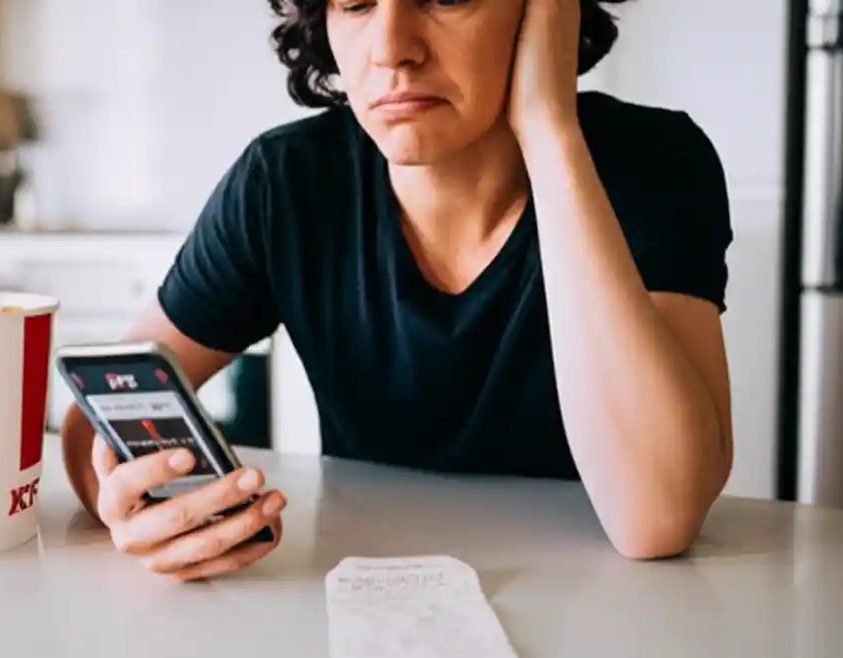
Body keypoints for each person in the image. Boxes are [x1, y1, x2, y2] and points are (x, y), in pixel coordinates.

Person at [62, 0, 734, 580]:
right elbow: (102, 414)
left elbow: (656, 517)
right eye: (355, 4)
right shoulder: (287, 182)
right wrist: (139, 506)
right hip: (370, 603)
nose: (392, 50)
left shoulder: (653, 162)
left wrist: (549, 130)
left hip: (615, 617)